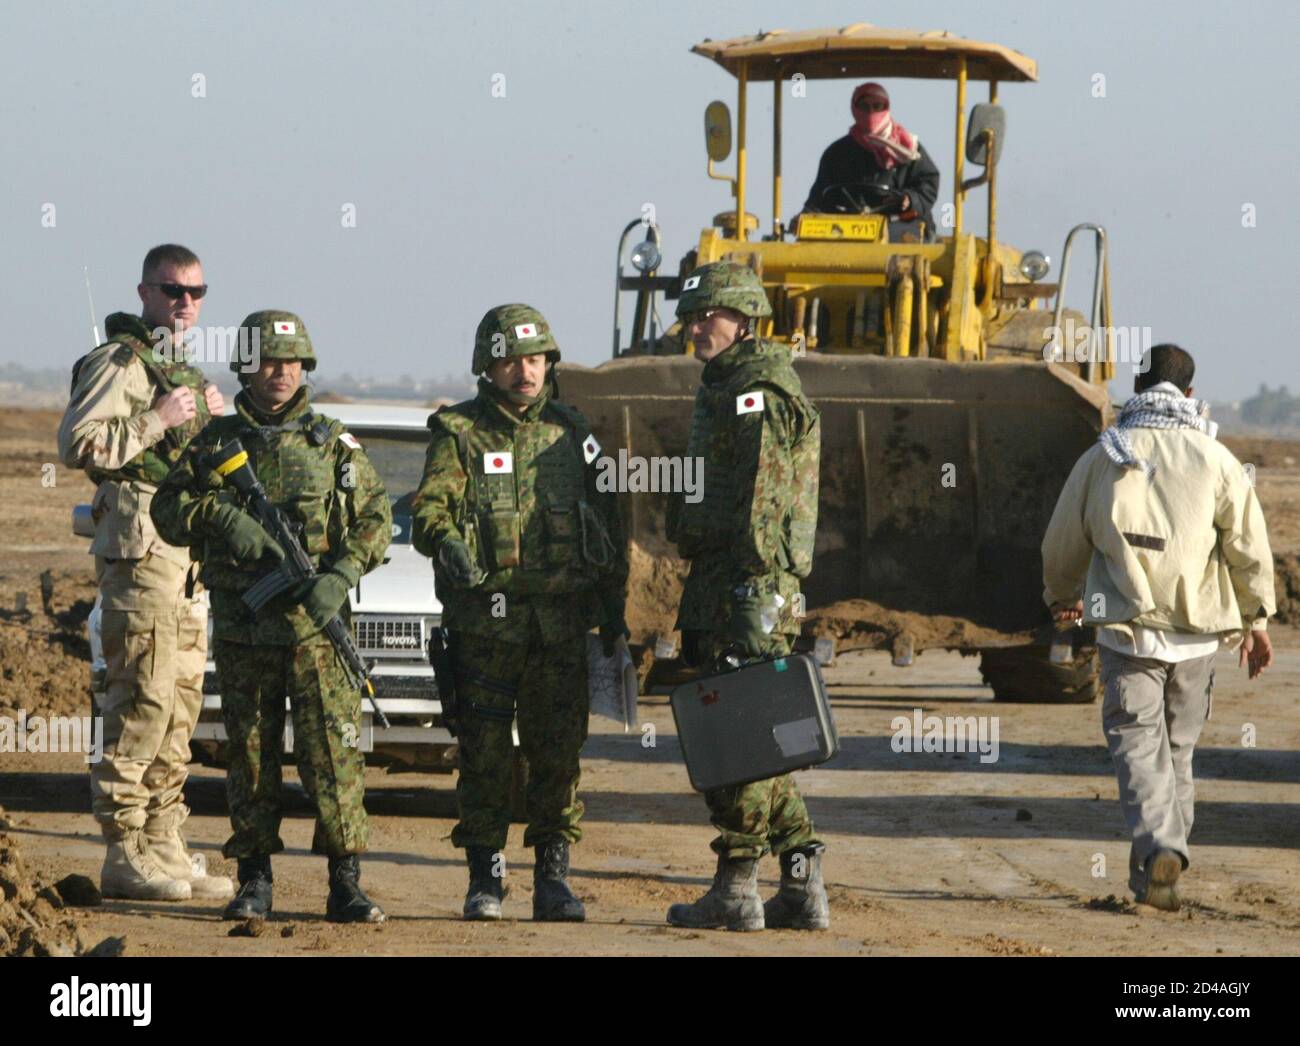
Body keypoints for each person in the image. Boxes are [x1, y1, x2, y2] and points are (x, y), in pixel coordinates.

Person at [151, 310, 392, 923]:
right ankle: (254, 879)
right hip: (244, 629)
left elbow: (375, 519)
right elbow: (168, 508)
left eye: (290, 361)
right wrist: (222, 517)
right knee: (251, 759)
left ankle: (346, 884)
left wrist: (339, 577)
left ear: (304, 367)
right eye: (265, 360)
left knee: (334, 759)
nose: (278, 372)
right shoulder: (213, 443)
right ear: (245, 367)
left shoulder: (333, 443)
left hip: (315, 635)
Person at [410, 304, 628, 922]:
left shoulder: (574, 433)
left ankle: (554, 879)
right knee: (484, 756)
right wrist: (447, 544)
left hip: (559, 629)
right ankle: (487, 877)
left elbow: (608, 525)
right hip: (485, 629)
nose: (525, 372)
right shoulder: (457, 432)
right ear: (487, 366)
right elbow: (429, 513)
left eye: (534, 359)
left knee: (557, 756)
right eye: (510, 360)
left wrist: (613, 611)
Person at [1042, 344, 1275, 911]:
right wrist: (1257, 619)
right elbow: (1248, 547)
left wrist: (1063, 598)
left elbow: (1063, 540)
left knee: (1138, 746)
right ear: (1189, 395)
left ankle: (1160, 850)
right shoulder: (1215, 457)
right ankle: (1157, 870)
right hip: (1197, 638)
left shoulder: (1106, 454)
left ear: (1137, 387)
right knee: (1178, 751)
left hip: (1127, 632)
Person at [58, 243, 232, 902]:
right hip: (141, 551)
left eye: (195, 292)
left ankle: (164, 841)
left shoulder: (178, 369)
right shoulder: (121, 363)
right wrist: (157, 420)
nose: (184, 304)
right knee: (142, 699)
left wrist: (204, 418)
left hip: (185, 559)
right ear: (144, 293)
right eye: (171, 290)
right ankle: (125, 850)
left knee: (180, 705)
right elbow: (77, 443)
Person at [665, 262, 828, 932]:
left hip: (749, 587)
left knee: (744, 734)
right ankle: (800, 887)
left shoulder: (756, 387)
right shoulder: (728, 383)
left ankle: (735, 889)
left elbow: (764, 500)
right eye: (692, 316)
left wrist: (755, 588)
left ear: (743, 318)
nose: (696, 327)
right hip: (726, 582)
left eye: (709, 315)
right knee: (750, 733)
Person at [802, 82, 940, 239]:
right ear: (854, 109)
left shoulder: (909, 149)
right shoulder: (837, 154)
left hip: (903, 230)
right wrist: (805, 216)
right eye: (864, 106)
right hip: (847, 236)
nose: (871, 112)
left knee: (909, 245)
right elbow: (820, 196)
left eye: (878, 106)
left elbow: (929, 182)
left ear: (886, 108)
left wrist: (910, 199)